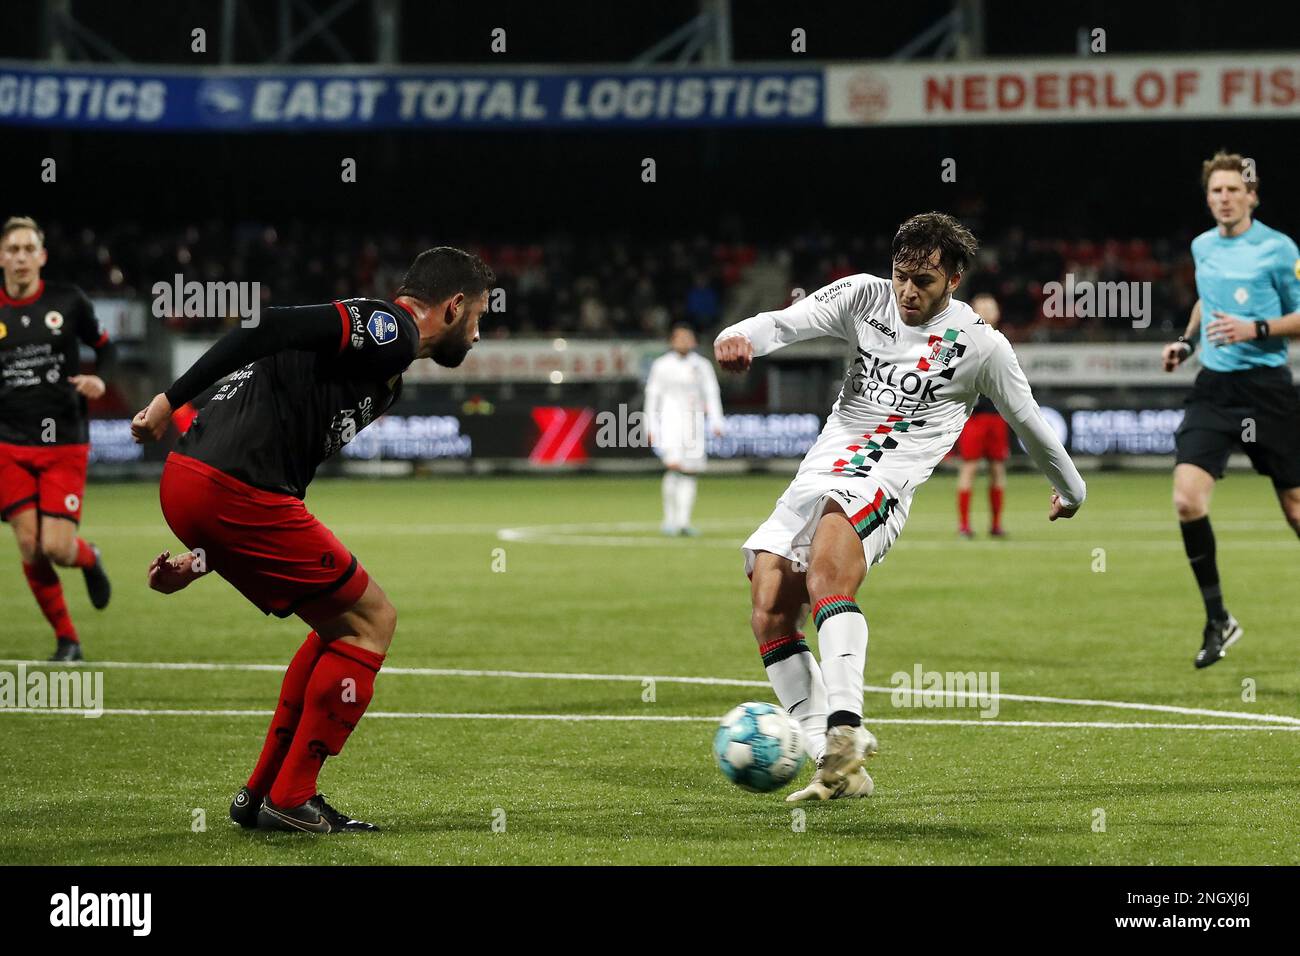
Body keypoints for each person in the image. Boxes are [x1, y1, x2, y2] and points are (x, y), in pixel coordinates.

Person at [715, 213, 1085, 801]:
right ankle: (834, 765)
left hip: (883, 480)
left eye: (926, 282)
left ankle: (845, 729)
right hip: (823, 467)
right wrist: (737, 338)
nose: (909, 292)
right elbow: (785, 324)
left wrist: (1072, 490)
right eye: (902, 276)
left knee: (827, 578)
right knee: (768, 604)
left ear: (955, 280)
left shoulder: (981, 346)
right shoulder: (864, 297)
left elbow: (1031, 425)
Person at [132, 246, 494, 832]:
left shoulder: (388, 375)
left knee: (338, 622)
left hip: (203, 483)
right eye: (478, 316)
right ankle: (292, 794)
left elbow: (285, 456)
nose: (477, 335)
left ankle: (261, 796)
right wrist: (168, 399)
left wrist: (205, 558)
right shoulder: (390, 331)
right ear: (453, 307)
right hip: (230, 485)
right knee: (373, 620)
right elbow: (268, 325)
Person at [1162, 151, 1300, 668]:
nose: (1223, 199)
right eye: (1215, 191)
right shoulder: (1202, 246)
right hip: (1215, 390)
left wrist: (1256, 329)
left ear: (1251, 195)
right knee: (1186, 501)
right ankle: (1218, 617)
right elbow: (1206, 298)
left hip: (1268, 390)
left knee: (1295, 511)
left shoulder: (1279, 248)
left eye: (1232, 191)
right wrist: (1187, 341)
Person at [0, 216, 113, 662]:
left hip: (64, 440)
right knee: (29, 545)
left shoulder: (69, 301)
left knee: (57, 548)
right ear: (2, 257)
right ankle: (68, 640)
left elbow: (106, 348)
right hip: (8, 444)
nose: (22, 257)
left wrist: (99, 380)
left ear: (42, 256)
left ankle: (89, 558)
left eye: (29, 249)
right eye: (13, 250)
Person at [644, 323, 724, 536]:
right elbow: (653, 397)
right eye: (680, 338)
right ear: (672, 341)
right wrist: (650, 425)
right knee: (673, 467)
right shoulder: (661, 365)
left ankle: (684, 521)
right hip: (669, 422)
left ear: (694, 342)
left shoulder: (702, 366)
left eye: (688, 338)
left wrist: (717, 421)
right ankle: (669, 519)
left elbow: (711, 393)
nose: (684, 342)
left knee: (690, 472)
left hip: (694, 424)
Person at [955, 293, 1011, 537]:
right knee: (969, 468)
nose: (987, 312)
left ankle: (996, 524)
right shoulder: (965, 342)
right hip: (974, 417)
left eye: (991, 307)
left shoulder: (1002, 342)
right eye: (982, 308)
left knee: (997, 469)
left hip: (996, 416)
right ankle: (965, 525)